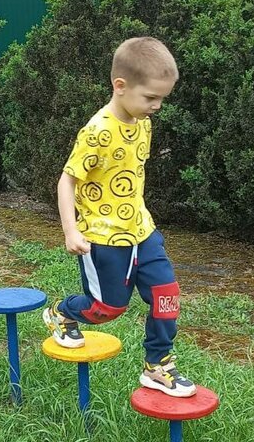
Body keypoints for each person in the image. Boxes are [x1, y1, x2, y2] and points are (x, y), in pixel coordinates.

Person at [43, 36, 197, 398]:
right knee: (108, 309)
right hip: (102, 238)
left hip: (142, 231)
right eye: (151, 98)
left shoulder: (142, 121)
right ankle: (63, 313)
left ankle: (158, 365)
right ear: (120, 85)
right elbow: (67, 181)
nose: (157, 106)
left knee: (167, 295)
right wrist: (70, 231)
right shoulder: (97, 131)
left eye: (162, 99)